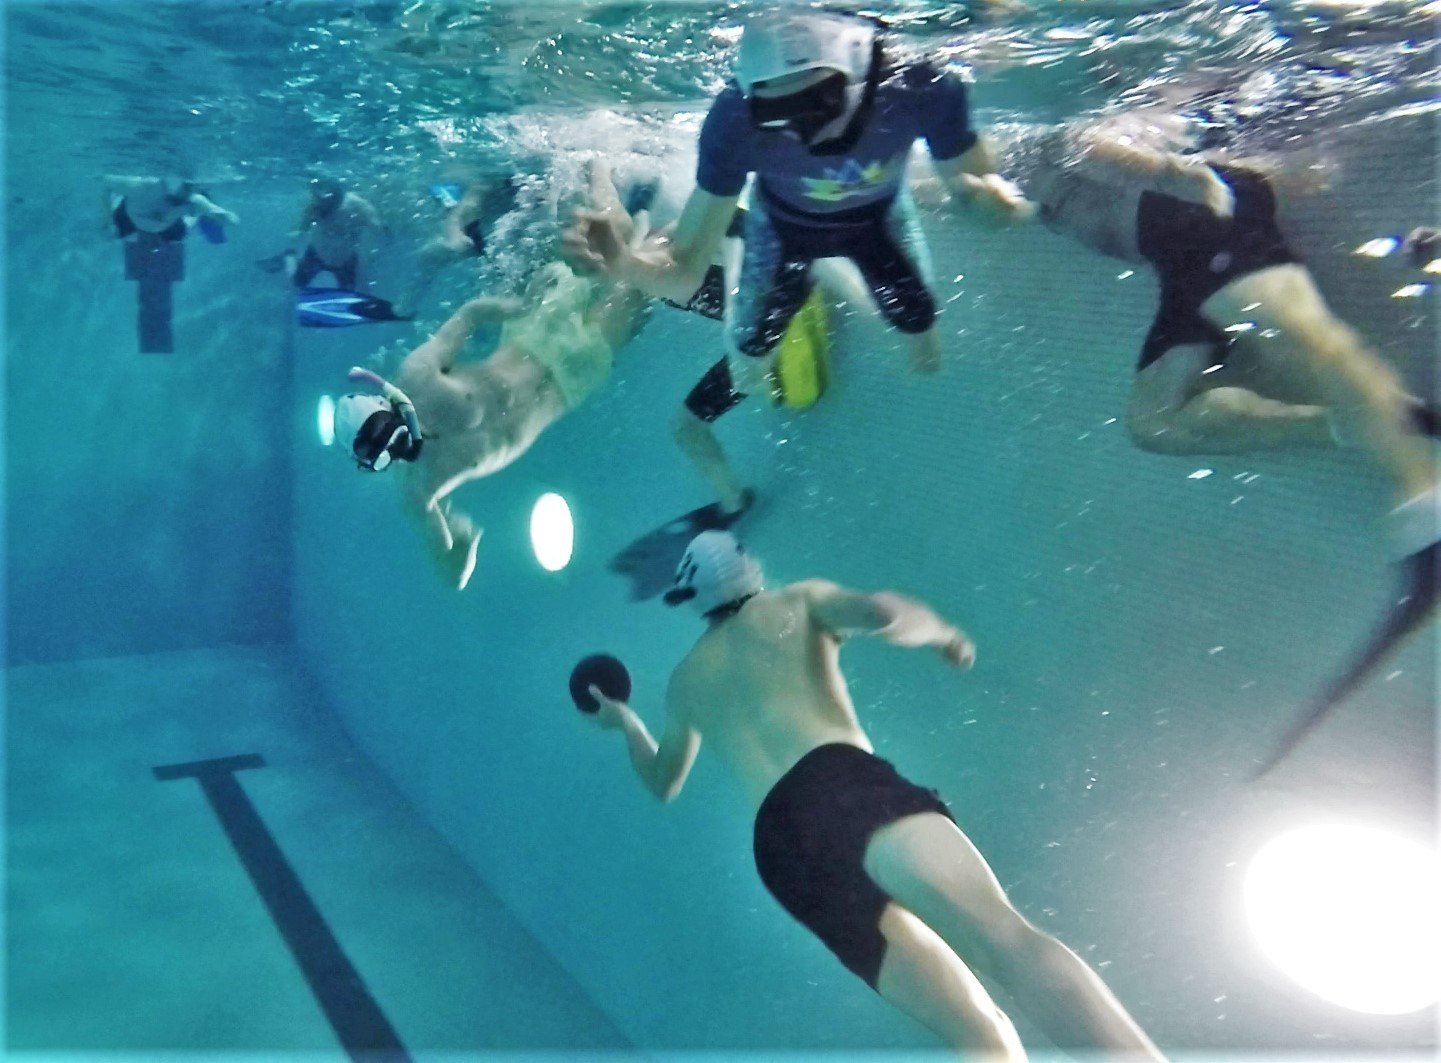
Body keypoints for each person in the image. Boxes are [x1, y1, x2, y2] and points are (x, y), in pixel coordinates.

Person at [586, 529, 1165, 1060]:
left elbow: (663, 782)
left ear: (692, 599)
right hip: (839, 785)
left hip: (782, 853)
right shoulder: (796, 601)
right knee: (1005, 943)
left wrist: (626, 724)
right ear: (751, 572)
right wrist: (945, 634)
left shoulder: (687, 681)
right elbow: (886, 613)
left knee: (977, 1032)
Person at [993, 114, 1437, 765]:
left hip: (1207, 216)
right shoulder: (1000, 171)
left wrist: (1184, 172)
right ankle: (1384, 420)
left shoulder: (1045, 133)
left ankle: (1423, 493)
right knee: (1155, 422)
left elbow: (1094, 134)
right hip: (1177, 263)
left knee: (1308, 342)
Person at [563, 9, 1033, 398]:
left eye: (816, 105)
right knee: (750, 350)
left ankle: (918, 338)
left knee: (918, 316)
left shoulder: (920, 88)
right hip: (782, 229)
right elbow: (686, 268)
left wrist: (989, 204)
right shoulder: (734, 122)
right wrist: (622, 263)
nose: (801, 134)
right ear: (751, 100)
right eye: (775, 116)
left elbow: (971, 192)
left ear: (865, 71)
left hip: (878, 218)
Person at [331, 162, 651, 590]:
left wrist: (524, 306)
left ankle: (601, 167)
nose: (405, 444)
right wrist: (465, 544)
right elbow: (453, 578)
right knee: (643, 276)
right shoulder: (420, 492)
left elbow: (471, 314)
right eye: (388, 451)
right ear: (375, 463)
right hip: (574, 376)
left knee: (600, 241)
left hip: (532, 332)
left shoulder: (418, 374)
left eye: (390, 432)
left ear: (389, 405)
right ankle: (645, 209)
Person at [393, 175, 521, 318]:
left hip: (514, 240)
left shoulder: (534, 183)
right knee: (430, 255)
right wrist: (456, 237)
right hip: (481, 237)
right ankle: (406, 307)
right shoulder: (486, 185)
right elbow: (459, 215)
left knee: (508, 281)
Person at [286, 177, 388, 290]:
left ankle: (289, 255)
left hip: (345, 261)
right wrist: (295, 236)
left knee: (350, 292)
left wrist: (381, 242)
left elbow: (379, 228)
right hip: (316, 254)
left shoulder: (358, 206)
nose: (321, 202)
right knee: (297, 282)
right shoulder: (315, 206)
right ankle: (288, 255)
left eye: (324, 197)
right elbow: (302, 230)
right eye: (316, 196)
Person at [101, 175, 239, 241]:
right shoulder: (142, 187)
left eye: (189, 192)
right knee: (109, 235)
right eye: (179, 196)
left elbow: (230, 218)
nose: (185, 197)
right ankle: (117, 200)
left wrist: (223, 217)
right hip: (130, 217)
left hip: (167, 227)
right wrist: (108, 220)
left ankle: (193, 221)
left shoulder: (192, 198)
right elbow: (104, 183)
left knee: (178, 235)